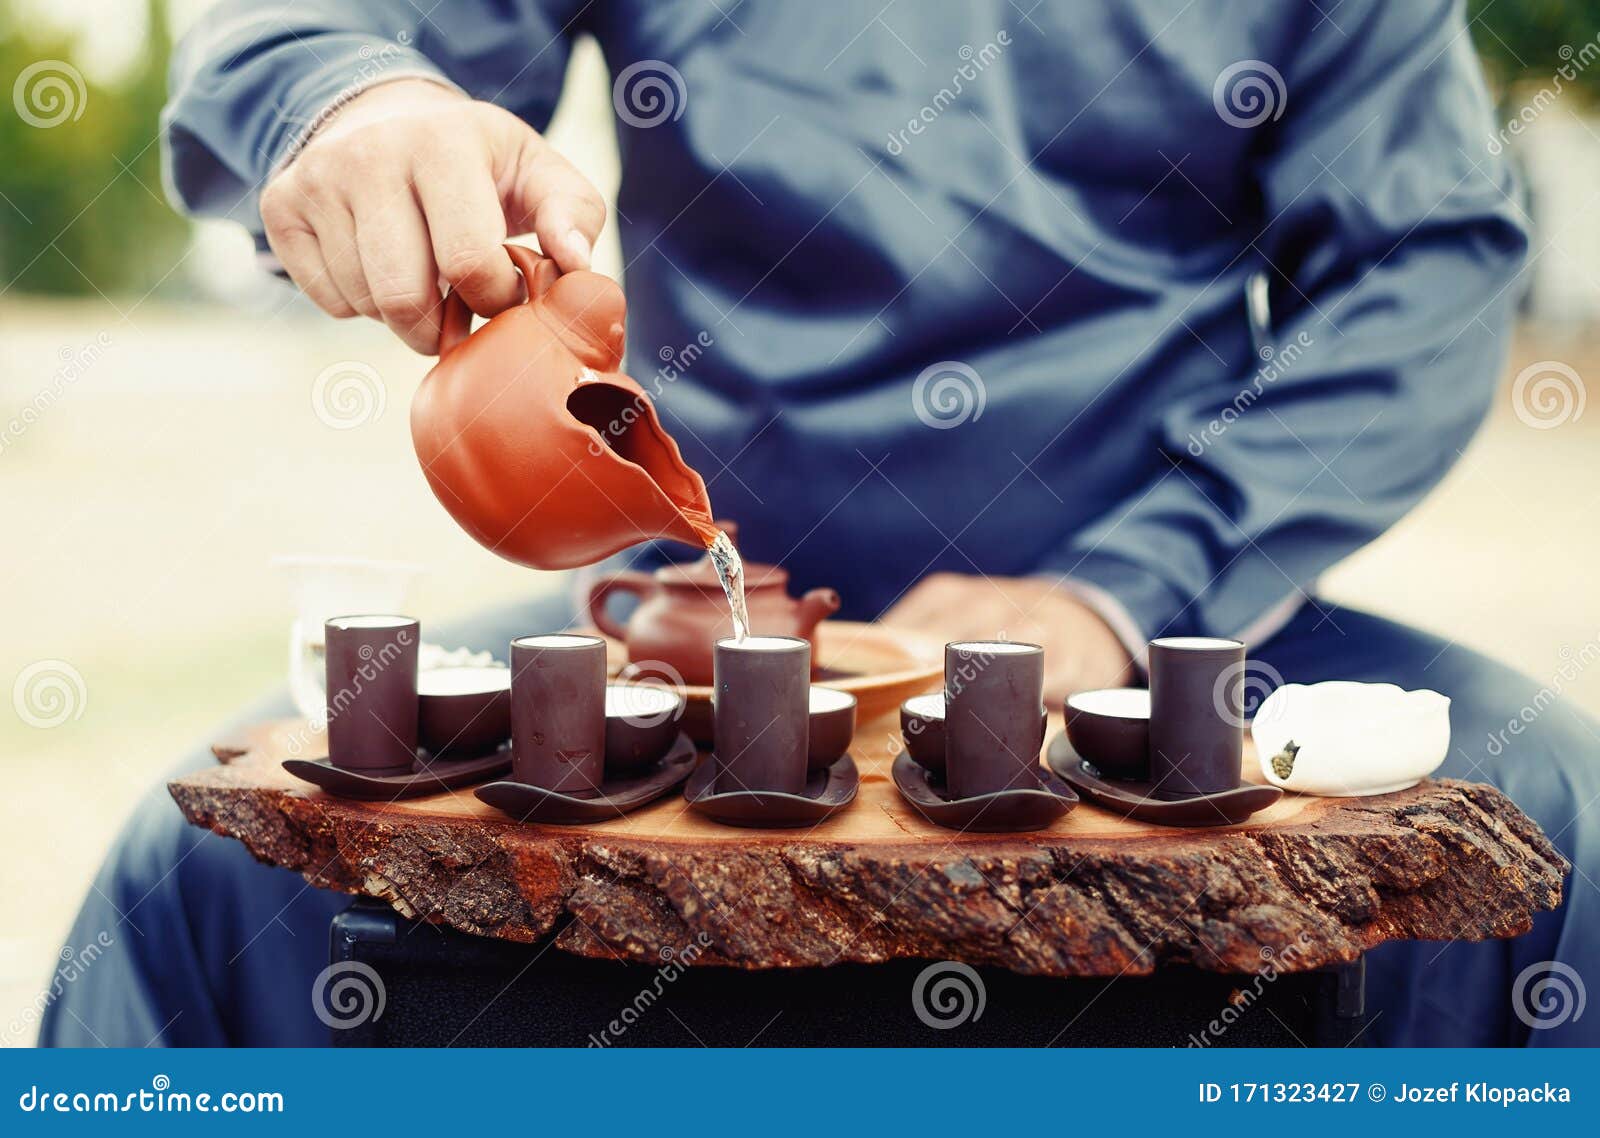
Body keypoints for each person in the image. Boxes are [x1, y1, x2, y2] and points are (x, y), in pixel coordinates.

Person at [42, 0, 1595, 1046]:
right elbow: (307, 31)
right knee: (194, 877)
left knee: (1560, 833)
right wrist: (348, 95)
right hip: (681, 637)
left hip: (1179, 627)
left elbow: (1429, 262)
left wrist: (1122, 598)